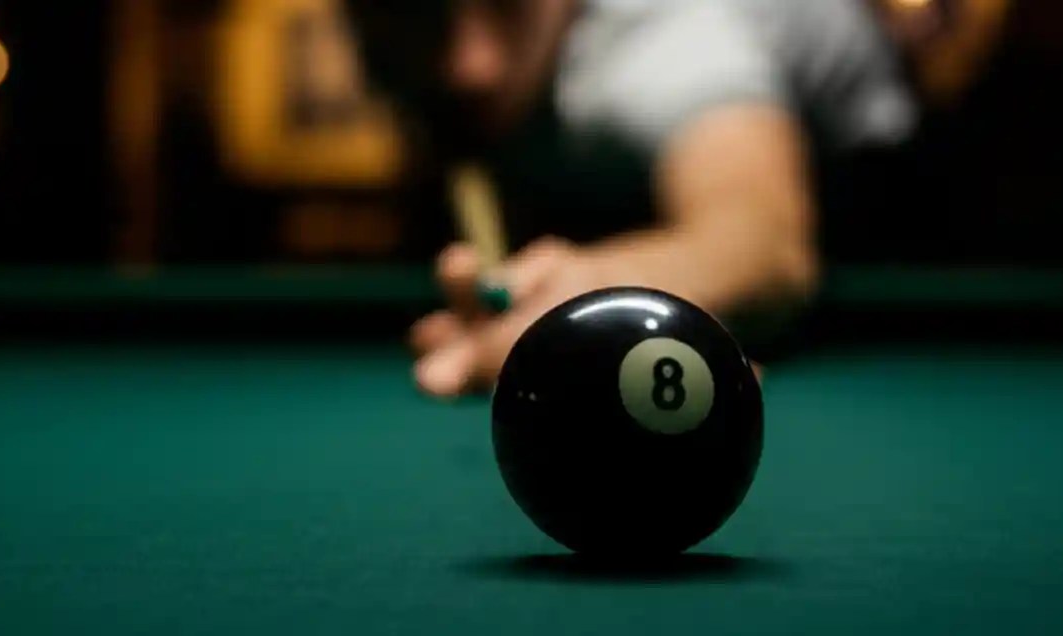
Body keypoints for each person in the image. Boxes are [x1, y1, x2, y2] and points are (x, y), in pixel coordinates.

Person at [344, 0, 918, 397]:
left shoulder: (663, 33)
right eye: (419, 9)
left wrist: (591, 298)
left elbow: (761, 244)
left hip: (889, 189)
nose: (474, 66)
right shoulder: (400, 52)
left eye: (504, 4)